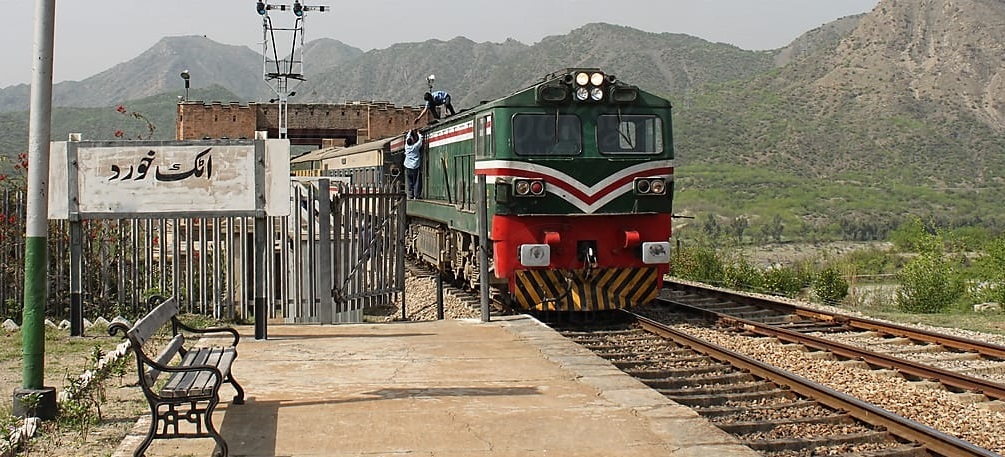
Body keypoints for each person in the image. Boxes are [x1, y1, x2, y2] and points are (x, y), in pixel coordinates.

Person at [404, 128, 423, 199]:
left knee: (409, 182)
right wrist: (419, 133)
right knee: (416, 181)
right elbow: (420, 141)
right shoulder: (415, 147)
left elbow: (407, 138)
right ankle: (416, 195)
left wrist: (409, 132)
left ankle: (410, 195)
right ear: (412, 142)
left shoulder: (406, 147)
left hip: (407, 166)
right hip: (415, 166)